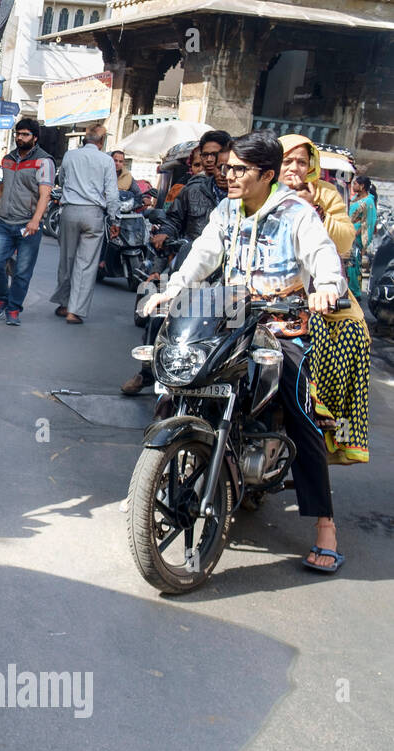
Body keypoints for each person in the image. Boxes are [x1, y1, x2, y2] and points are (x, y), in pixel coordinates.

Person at [142, 130, 352, 573]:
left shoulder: (297, 214)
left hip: (282, 326)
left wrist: (327, 288)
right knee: (178, 380)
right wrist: (174, 289)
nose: (228, 175)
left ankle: (325, 526)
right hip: (230, 319)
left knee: (302, 414)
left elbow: (322, 256)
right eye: (228, 167)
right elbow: (202, 255)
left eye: (239, 169)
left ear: (267, 175)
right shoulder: (226, 210)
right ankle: (153, 486)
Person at [279, 136, 369, 466]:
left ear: (312, 166)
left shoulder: (327, 193)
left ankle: (327, 416)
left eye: (301, 162)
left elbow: (345, 241)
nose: (294, 168)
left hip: (319, 290)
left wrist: (315, 209)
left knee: (354, 332)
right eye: (287, 161)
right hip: (270, 290)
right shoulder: (262, 189)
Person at [122, 131, 232, 395]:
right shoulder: (192, 190)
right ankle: (147, 372)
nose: (210, 162)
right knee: (161, 316)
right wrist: (160, 256)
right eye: (205, 155)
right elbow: (173, 222)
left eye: (215, 156)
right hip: (191, 267)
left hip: (229, 278)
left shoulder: (246, 199)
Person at [0, 118, 55, 326]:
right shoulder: (8, 159)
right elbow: (2, 188)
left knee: (22, 271)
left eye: (25, 134)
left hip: (28, 225)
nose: (20, 137)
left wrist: (36, 221)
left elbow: (45, 194)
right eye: (18, 134)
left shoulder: (44, 161)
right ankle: (1, 297)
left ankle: (14, 308)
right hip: (5, 222)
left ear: (35, 138)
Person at [49, 123, 119, 324]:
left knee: (66, 260)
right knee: (86, 264)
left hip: (70, 211)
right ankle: (74, 311)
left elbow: (61, 180)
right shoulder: (106, 161)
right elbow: (112, 195)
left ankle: (63, 303)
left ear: (84, 139)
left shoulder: (71, 156)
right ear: (102, 142)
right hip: (93, 213)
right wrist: (114, 219)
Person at [348, 175, 378, 298]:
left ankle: (355, 293)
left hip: (357, 236)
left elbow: (368, 222)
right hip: (348, 232)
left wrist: (357, 233)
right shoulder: (355, 198)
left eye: (355, 184)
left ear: (362, 186)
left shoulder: (368, 202)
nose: (353, 186)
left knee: (353, 264)